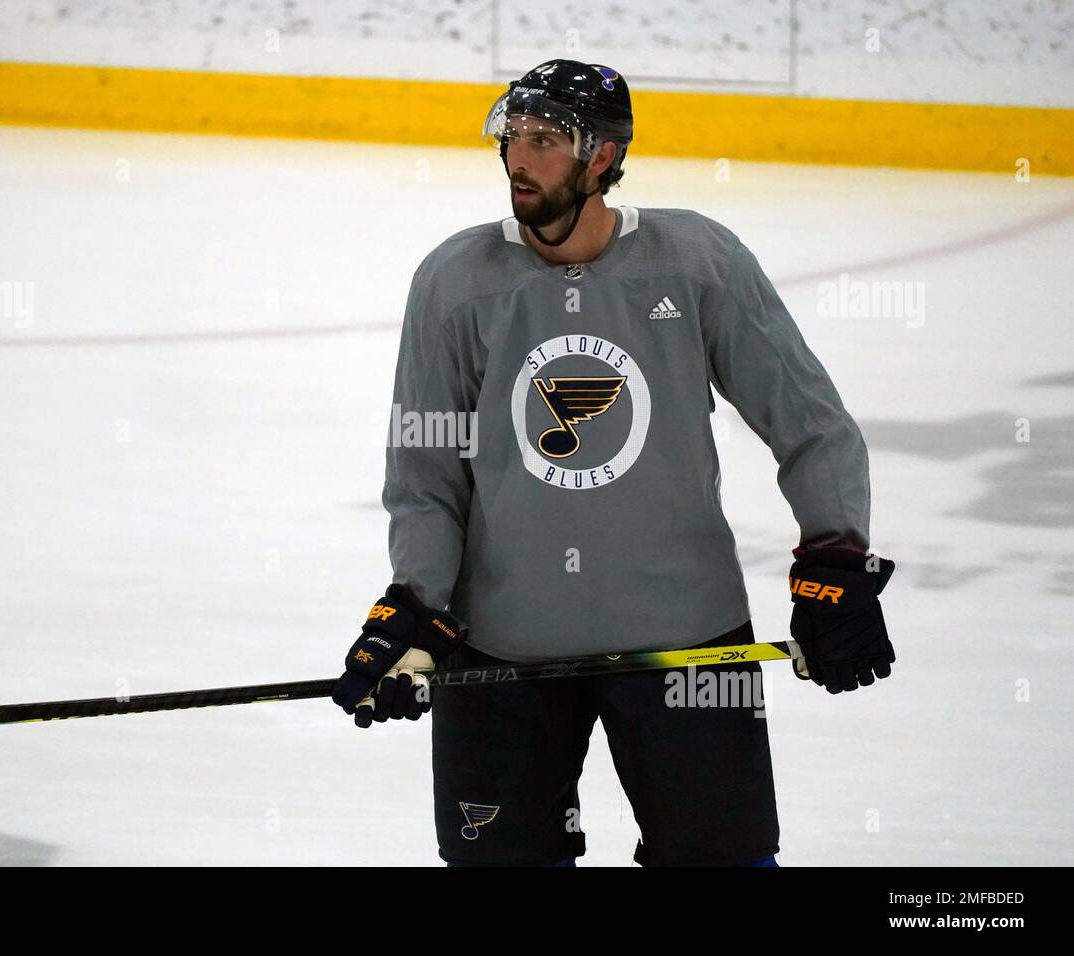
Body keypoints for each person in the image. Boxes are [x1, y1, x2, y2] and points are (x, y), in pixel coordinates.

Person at [333, 59, 896, 867]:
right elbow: (425, 475)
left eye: (547, 141)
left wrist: (835, 559)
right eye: (512, 137)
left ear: (602, 159)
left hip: (688, 645)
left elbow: (811, 424)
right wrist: (417, 609)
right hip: (502, 653)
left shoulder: (699, 261)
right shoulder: (454, 282)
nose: (519, 159)